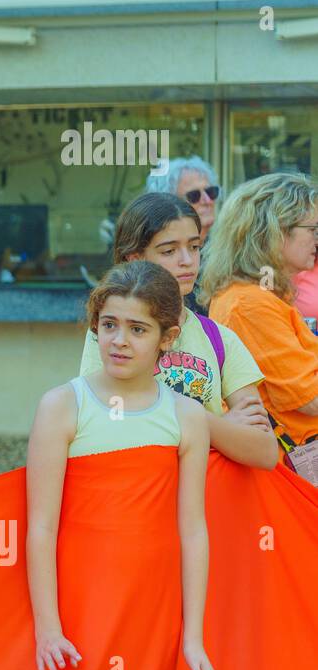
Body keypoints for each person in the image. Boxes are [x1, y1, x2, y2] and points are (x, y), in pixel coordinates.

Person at [28, 261, 226, 670]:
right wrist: (48, 627)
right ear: (94, 326)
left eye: (138, 329)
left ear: (167, 338)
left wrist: (191, 636)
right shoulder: (62, 406)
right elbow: (41, 526)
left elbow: (192, 531)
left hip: (155, 605)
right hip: (81, 601)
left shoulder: (187, 416)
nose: (119, 340)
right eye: (109, 325)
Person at [78, 192, 276, 469]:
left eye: (194, 247)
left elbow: (264, 452)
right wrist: (216, 425)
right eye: (169, 250)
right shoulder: (110, 336)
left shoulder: (219, 339)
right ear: (134, 258)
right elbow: (114, 431)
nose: (187, 261)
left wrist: (175, 421)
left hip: (208, 501)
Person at [199, 172, 318, 462]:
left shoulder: (257, 295)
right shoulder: (249, 303)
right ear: (275, 232)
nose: (317, 238)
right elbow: (308, 398)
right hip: (289, 466)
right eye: (313, 229)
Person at [146, 156, 219, 314]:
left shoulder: (225, 250)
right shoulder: (154, 255)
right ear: (169, 202)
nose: (207, 200)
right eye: (194, 196)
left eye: (211, 192)